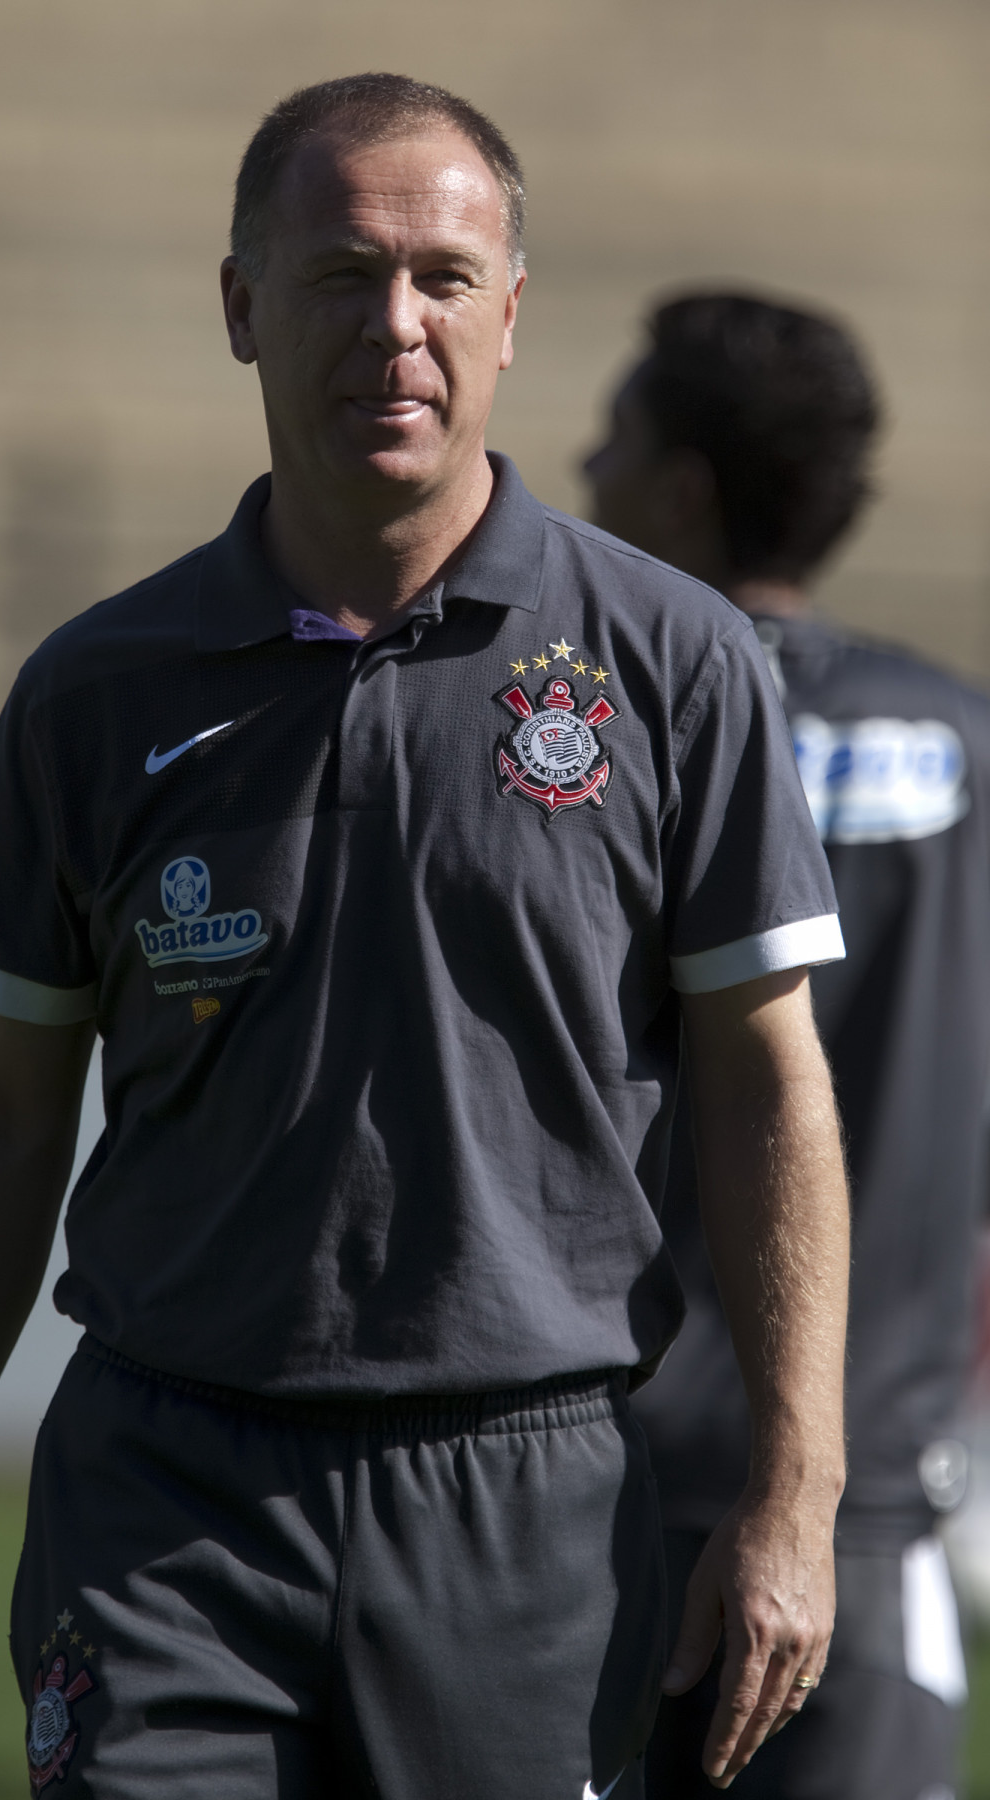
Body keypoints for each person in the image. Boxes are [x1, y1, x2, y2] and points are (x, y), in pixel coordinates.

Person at [0, 82, 850, 1800]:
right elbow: (1, 1115)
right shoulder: (96, 691)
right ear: (241, 302)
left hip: (523, 1496)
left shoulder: (674, 664)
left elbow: (772, 1093)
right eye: (340, 275)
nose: (397, 328)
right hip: (164, 1500)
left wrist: (794, 1497)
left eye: (445, 278)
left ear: (512, 315)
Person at [584, 290, 990, 1800]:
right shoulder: (968, 745)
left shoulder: (591, 742)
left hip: (583, 1495)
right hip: (863, 1515)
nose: (581, 463)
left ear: (683, 487)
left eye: (613, 436)